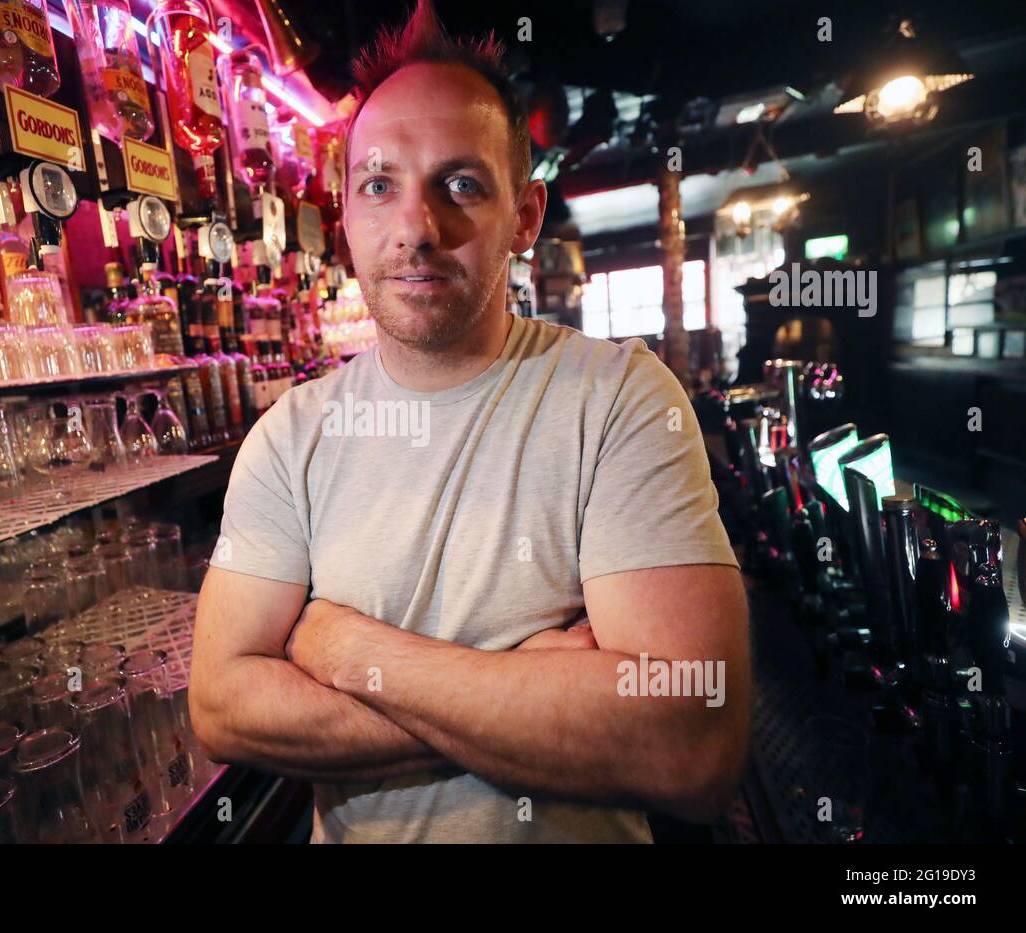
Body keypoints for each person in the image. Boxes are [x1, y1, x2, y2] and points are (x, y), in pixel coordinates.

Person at [190, 0, 750, 843]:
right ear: (345, 218)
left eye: (461, 184)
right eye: (380, 185)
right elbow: (222, 704)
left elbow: (691, 735)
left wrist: (341, 649)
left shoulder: (620, 399)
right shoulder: (290, 437)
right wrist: (517, 692)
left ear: (524, 217)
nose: (417, 227)